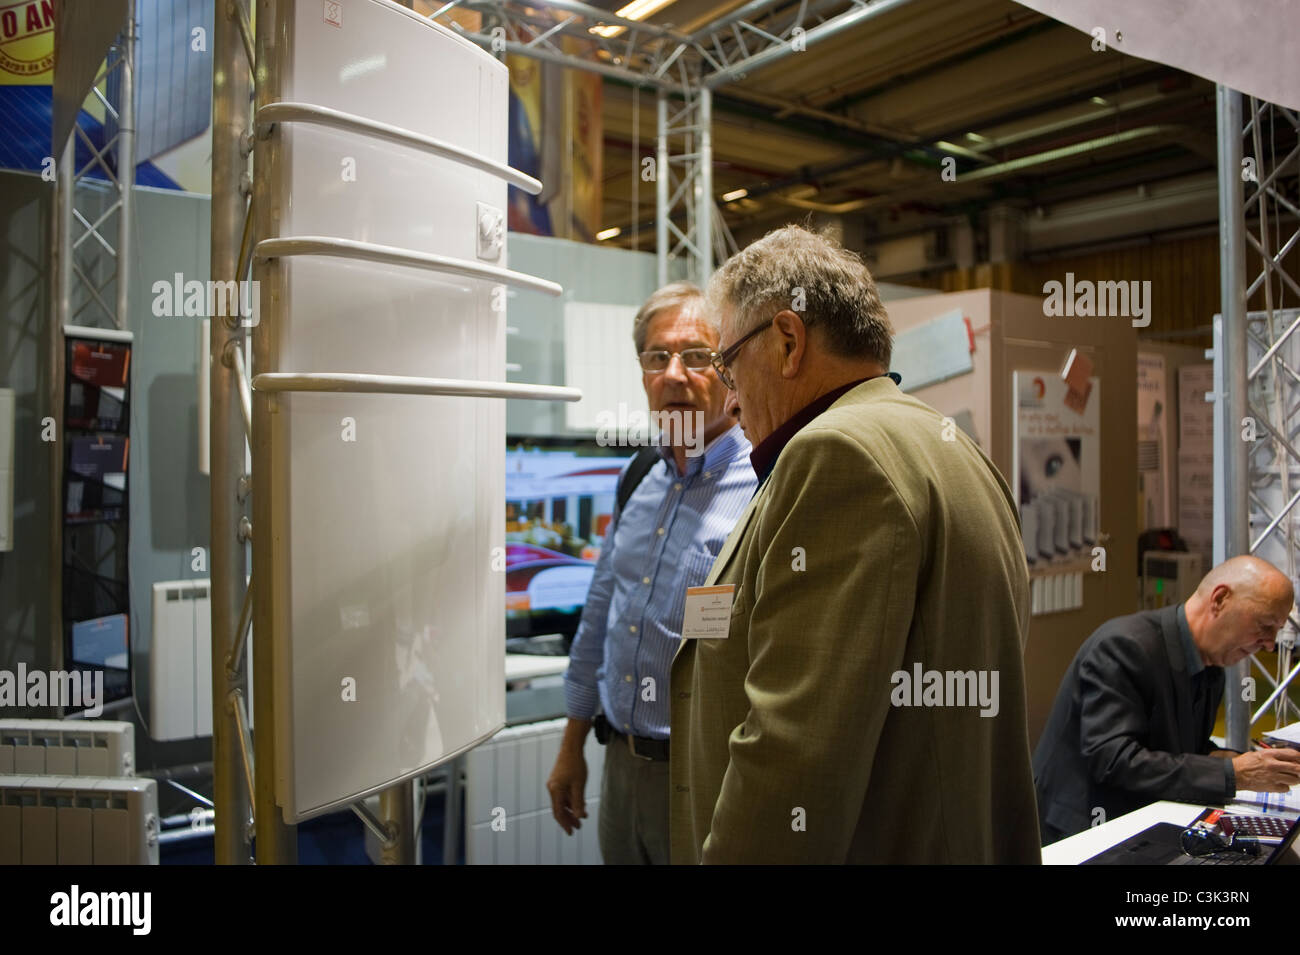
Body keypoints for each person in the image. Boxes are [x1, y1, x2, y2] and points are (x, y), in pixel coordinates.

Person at [670, 225, 1040, 864]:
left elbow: (793, 755)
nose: (729, 402)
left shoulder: (835, 455)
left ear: (788, 340)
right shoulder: (951, 448)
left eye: (729, 365)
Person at [547, 282, 757, 864]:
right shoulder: (639, 476)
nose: (674, 374)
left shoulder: (767, 482)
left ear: (731, 371)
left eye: (697, 356)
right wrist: (572, 742)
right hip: (618, 760)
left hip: (709, 773)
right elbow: (600, 616)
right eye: (657, 356)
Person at [1033, 555, 1300, 843]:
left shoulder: (1212, 666)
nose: (1271, 644)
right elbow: (1113, 761)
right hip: (1082, 833)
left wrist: (1230, 759)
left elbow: (1175, 749)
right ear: (1220, 599)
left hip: (1142, 822)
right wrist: (1232, 773)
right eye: (1265, 625)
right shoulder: (1123, 646)